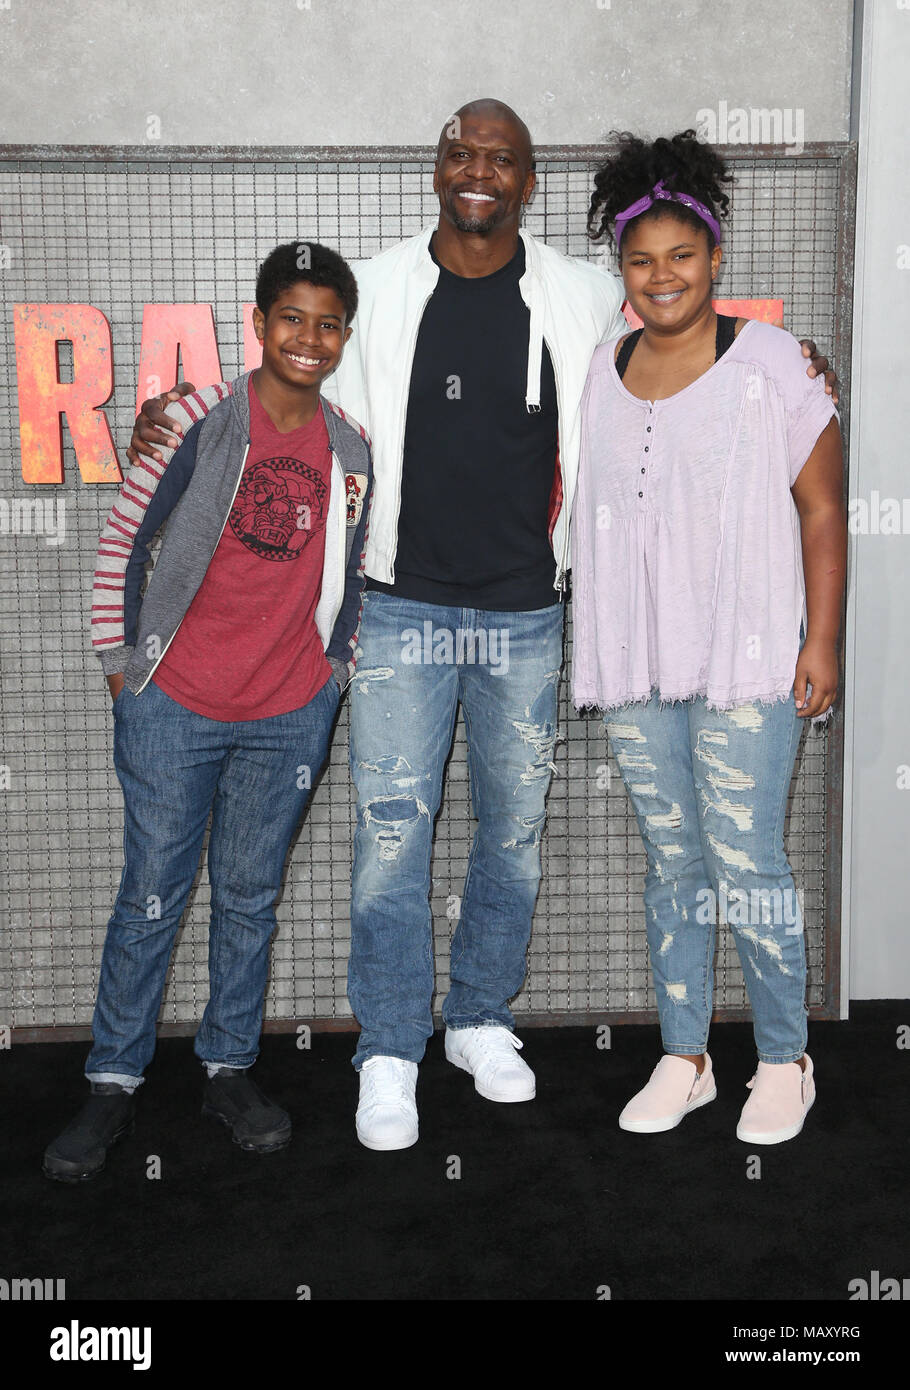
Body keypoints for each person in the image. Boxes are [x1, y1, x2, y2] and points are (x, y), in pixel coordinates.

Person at [127, 100, 838, 1153]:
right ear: (435, 169)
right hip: (404, 604)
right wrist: (178, 415)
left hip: (527, 614)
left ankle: (481, 1020)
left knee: (513, 837)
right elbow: (293, 376)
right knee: (391, 835)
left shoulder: (586, 296)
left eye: (500, 157)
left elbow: (721, 359)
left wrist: (796, 358)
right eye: (460, 151)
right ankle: (387, 1049)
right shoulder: (375, 287)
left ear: (527, 182)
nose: (477, 170)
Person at [43, 242, 373, 1181]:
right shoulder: (193, 420)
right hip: (173, 707)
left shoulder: (350, 448)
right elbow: (123, 548)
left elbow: (350, 580)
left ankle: (228, 1067)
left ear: (344, 336)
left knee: (249, 898)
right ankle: (112, 1080)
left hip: (287, 714)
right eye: (291, 318)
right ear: (259, 321)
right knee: (150, 898)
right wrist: (124, 675)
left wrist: (332, 674)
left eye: (327, 322)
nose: (307, 338)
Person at [571, 131, 847, 1144]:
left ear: (715, 256)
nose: (662, 277)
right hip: (638, 659)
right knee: (672, 861)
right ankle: (684, 1055)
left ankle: (784, 1057)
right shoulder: (601, 368)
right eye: (641, 260)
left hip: (750, 656)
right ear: (622, 271)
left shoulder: (773, 361)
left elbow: (821, 508)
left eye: (681, 256)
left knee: (749, 861)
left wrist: (821, 643)